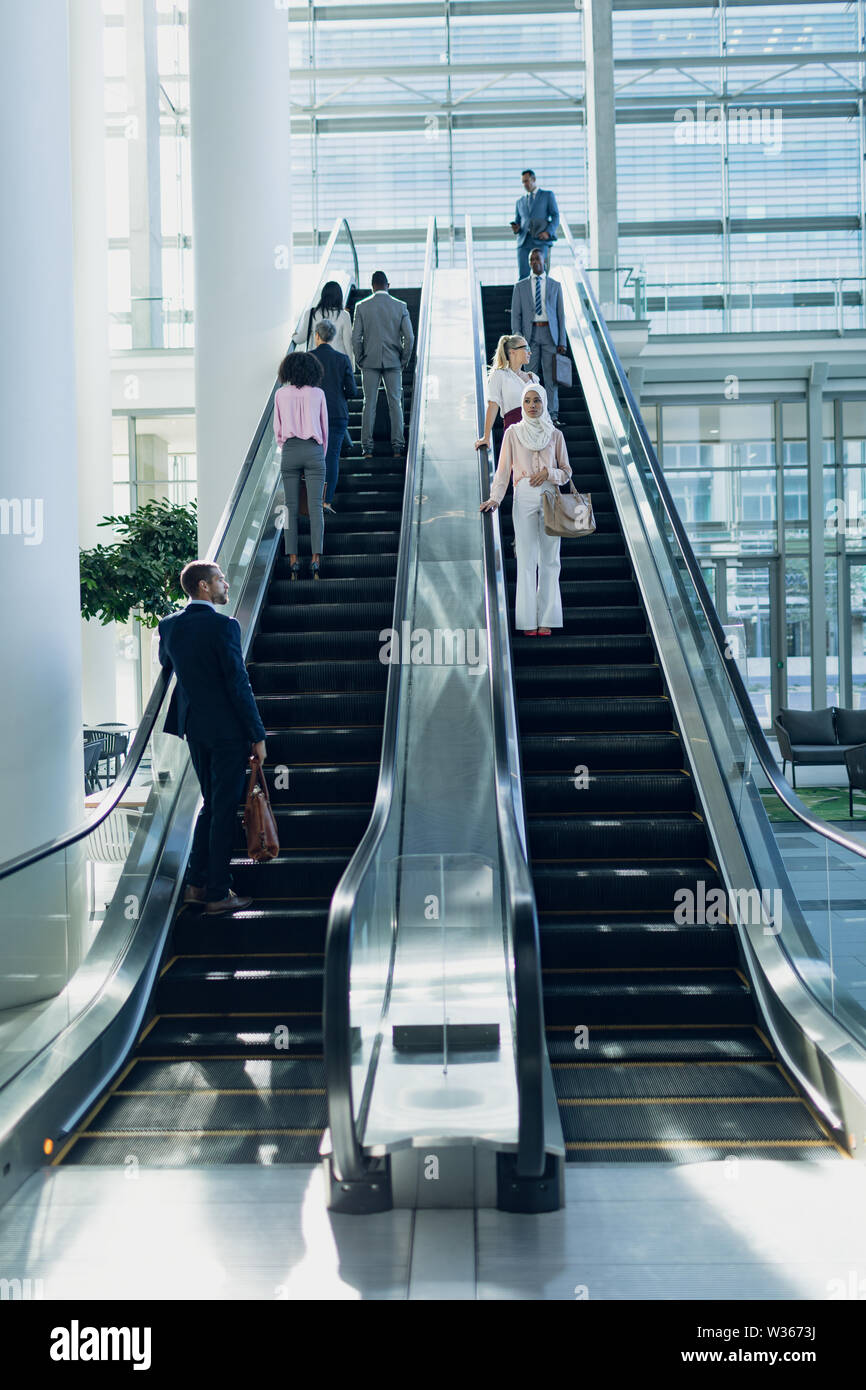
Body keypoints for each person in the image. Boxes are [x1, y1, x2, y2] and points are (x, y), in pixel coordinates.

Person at [159, 562, 267, 915]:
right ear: (204, 586)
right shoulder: (225, 627)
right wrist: (257, 734)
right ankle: (218, 893)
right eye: (221, 580)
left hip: (194, 729)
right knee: (222, 810)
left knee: (211, 804)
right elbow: (238, 684)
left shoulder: (170, 626)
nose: (226, 585)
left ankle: (196, 882)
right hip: (227, 734)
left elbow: (167, 662)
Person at [479, 383, 572, 637]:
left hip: (551, 495)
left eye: (537, 401)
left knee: (551, 560)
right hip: (524, 495)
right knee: (527, 559)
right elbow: (503, 470)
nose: (532, 405)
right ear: (522, 404)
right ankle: (527, 620)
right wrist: (495, 498)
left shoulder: (555, 435)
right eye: (528, 401)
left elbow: (566, 472)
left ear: (544, 403)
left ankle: (548, 619)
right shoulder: (513, 432)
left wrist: (549, 473)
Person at [274, 350, 328, 579]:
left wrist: (285, 446)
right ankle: (316, 560)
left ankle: (294, 560)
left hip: (290, 450)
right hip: (314, 449)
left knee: (290, 508)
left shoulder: (280, 395)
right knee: (316, 507)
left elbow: (277, 429)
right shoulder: (318, 394)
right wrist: (319, 454)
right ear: (312, 371)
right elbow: (324, 428)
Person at [351, 271, 415, 460]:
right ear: (388, 285)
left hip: (369, 362)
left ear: (372, 286)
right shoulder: (400, 306)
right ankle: (397, 447)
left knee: (368, 404)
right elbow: (409, 337)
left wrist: (360, 358)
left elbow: (356, 338)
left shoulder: (361, 307)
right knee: (395, 403)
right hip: (394, 361)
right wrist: (403, 360)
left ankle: (367, 449)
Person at [511, 248, 569, 423]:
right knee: (530, 376)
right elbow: (516, 315)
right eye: (532, 259)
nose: (535, 261)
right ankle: (530, 415)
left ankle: (552, 415)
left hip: (550, 335)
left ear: (545, 261)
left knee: (551, 378)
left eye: (538, 258)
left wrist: (562, 341)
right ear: (529, 263)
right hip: (530, 336)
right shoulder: (520, 287)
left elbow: (560, 315)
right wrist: (518, 340)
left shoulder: (555, 285)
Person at [311, 319, 357, 512]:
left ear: (317, 336)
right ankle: (326, 501)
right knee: (332, 458)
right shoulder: (342, 359)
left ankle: (312, 500)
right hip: (337, 415)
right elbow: (352, 391)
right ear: (333, 337)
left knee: (314, 458)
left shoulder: (308, 359)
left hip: (313, 415)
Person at [474, 333, 540, 451]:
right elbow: (493, 405)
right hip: (514, 431)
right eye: (526, 348)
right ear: (512, 351)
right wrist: (486, 436)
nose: (530, 352)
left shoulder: (533, 378)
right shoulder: (500, 375)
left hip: (537, 432)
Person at [510, 169, 560, 279]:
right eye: (523, 182)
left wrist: (548, 232)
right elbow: (518, 220)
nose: (525, 184)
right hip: (523, 242)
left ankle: (542, 296)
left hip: (540, 240)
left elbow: (556, 216)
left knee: (541, 275)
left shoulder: (547, 195)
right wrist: (516, 228)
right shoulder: (520, 202)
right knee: (523, 276)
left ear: (534, 179)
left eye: (527, 181)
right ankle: (523, 297)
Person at [291, 280, 354, 367]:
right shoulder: (344, 315)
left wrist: (294, 336)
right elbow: (348, 343)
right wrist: (351, 365)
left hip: (316, 361)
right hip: (337, 362)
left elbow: (301, 338)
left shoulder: (311, 313)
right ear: (339, 296)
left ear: (323, 296)